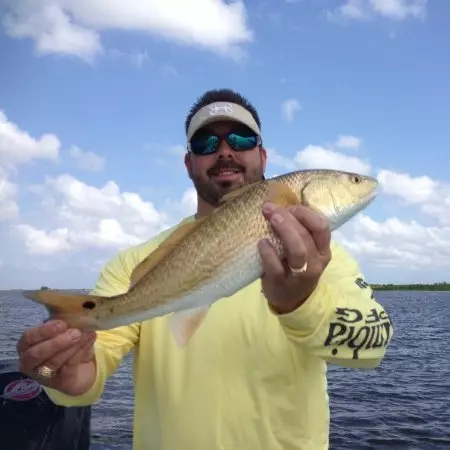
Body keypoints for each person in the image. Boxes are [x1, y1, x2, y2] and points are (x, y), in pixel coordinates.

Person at [16, 88, 394, 450]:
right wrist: (59, 375)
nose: (225, 151)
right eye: (206, 144)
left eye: (241, 140)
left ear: (263, 157)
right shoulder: (133, 263)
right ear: (188, 163)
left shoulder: (326, 258)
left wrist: (301, 303)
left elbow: (373, 347)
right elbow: (88, 368)